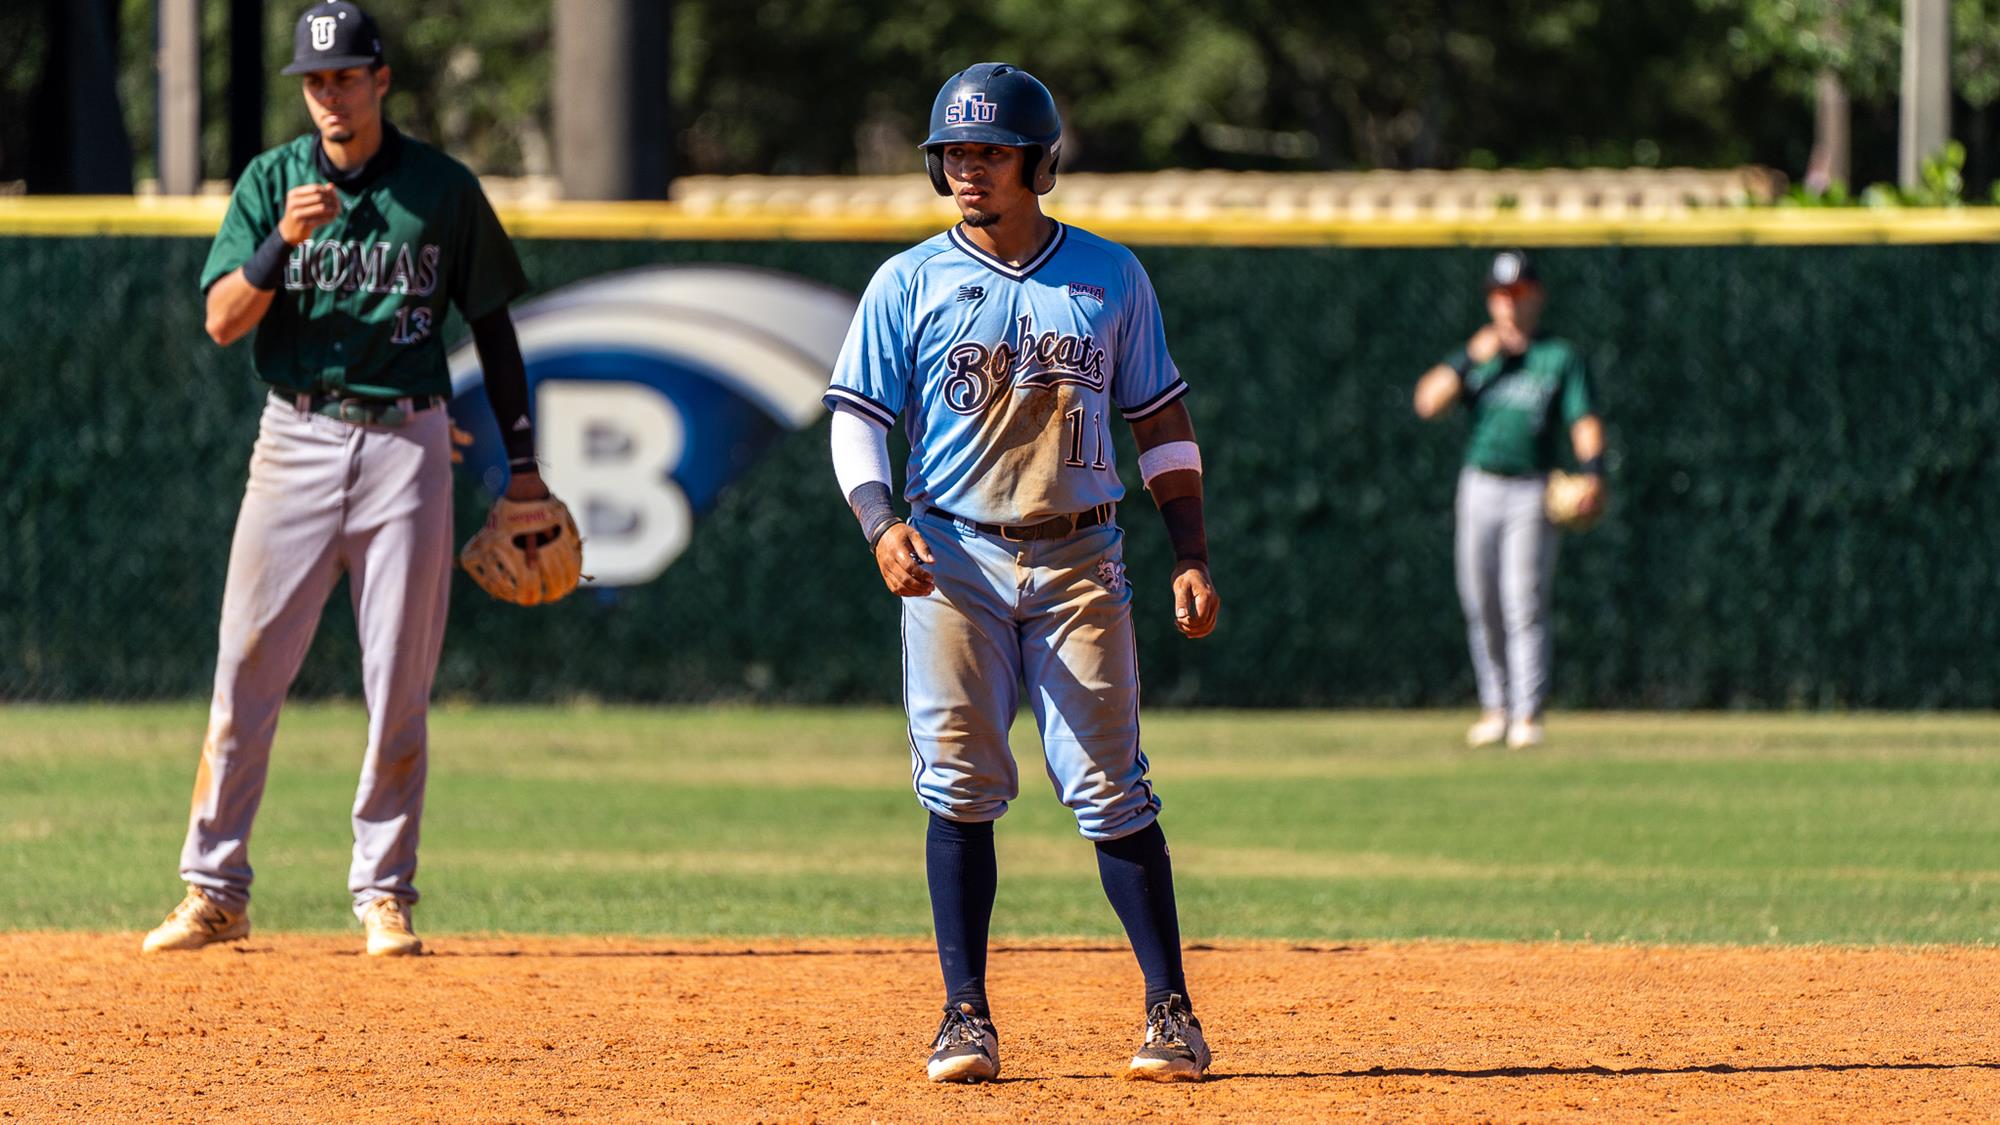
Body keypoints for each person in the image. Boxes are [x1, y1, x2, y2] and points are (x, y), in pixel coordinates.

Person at [824, 62, 1220, 1084]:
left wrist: (1189, 552)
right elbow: (856, 421)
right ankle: (964, 1018)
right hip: (953, 553)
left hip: (1083, 553)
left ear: (1037, 163)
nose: (968, 169)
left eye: (989, 151)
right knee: (957, 786)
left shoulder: (1108, 276)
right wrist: (878, 522)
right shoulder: (907, 281)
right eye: (953, 152)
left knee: (1110, 789)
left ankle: (1168, 1011)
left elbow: (1159, 421)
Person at [143, 0, 554, 956]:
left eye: (346, 76)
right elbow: (221, 321)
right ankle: (214, 887)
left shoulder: (441, 189)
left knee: (398, 681)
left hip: (409, 446)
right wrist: (280, 241)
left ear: (381, 82)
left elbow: (493, 330)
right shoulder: (271, 182)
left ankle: (383, 892)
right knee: (246, 667)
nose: (330, 95)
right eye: (315, 82)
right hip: (293, 436)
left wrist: (523, 464)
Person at [1413, 250, 1606, 749]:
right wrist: (1469, 359)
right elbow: (1427, 402)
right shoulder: (1478, 357)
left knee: (1523, 600)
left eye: (1517, 293)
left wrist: (1593, 473)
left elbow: (1582, 420)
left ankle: (1526, 714)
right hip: (1479, 485)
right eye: (1500, 294)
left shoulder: (1556, 357)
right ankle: (1495, 707)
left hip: (1531, 488)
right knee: (1479, 599)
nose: (1508, 304)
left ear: (1535, 296)